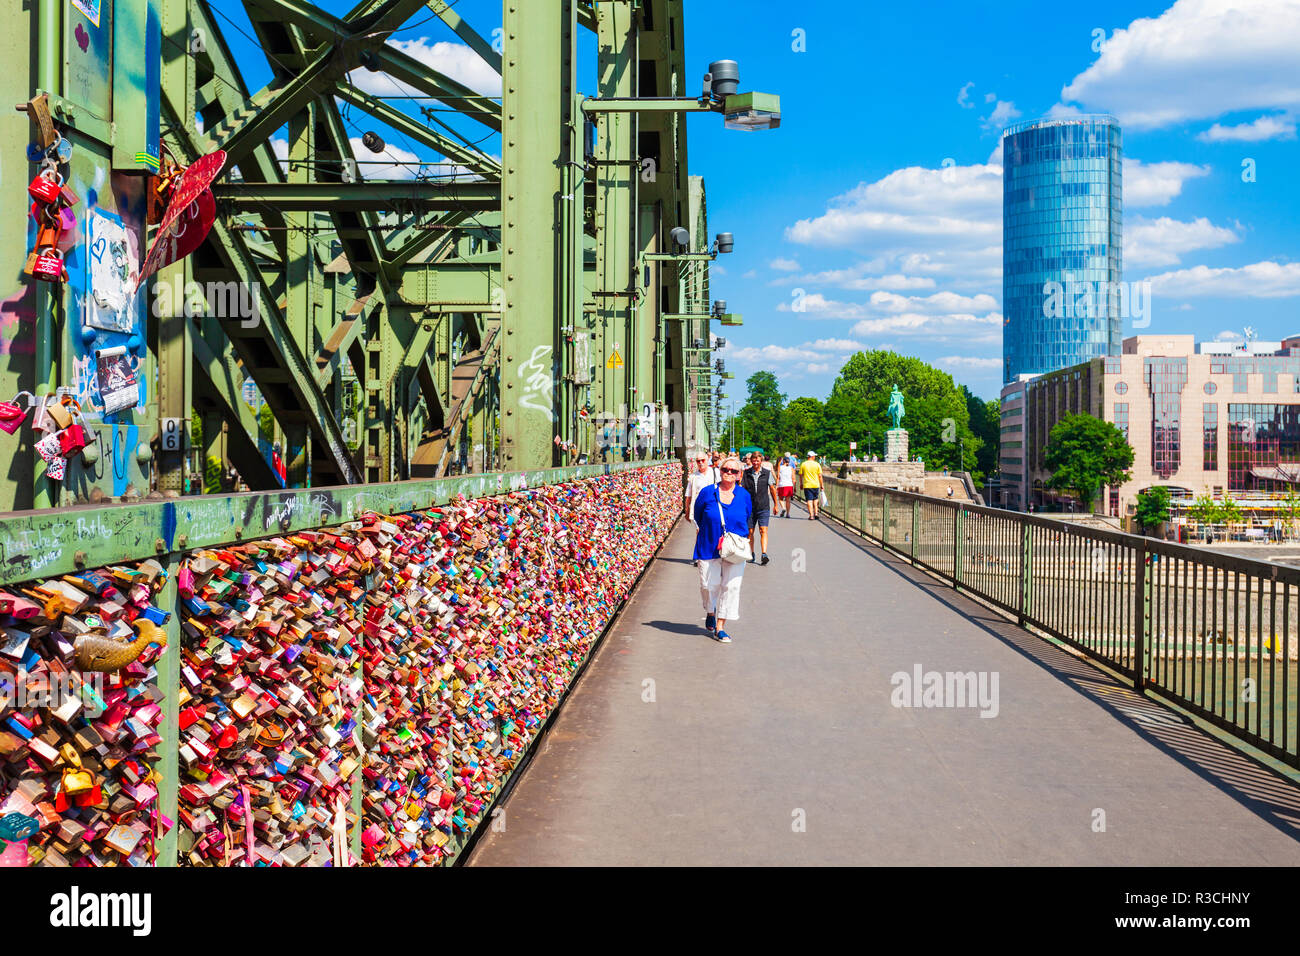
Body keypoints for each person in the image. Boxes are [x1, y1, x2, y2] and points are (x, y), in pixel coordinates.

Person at [693, 455, 752, 643]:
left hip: (734, 549)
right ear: (720, 471)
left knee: (731, 587)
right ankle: (710, 611)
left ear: (739, 475)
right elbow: (698, 516)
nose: (729, 473)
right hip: (708, 544)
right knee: (708, 585)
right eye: (726, 469)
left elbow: (747, 516)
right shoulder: (707, 492)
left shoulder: (744, 495)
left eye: (734, 471)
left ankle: (720, 627)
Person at [742, 452, 778, 564]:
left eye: (758, 461)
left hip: (763, 506)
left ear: (761, 461)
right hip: (750, 507)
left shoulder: (767, 473)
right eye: (754, 461)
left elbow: (772, 489)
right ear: (751, 461)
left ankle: (764, 554)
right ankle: (751, 553)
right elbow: (742, 489)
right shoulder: (746, 473)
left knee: (763, 530)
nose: (756, 463)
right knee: (750, 532)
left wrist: (776, 505)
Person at [798, 451, 823, 520]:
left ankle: (811, 515)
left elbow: (800, 475)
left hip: (807, 485)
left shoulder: (803, 464)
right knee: (815, 499)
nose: (815, 457)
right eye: (814, 456)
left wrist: (801, 483)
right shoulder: (817, 464)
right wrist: (821, 485)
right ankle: (816, 513)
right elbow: (820, 476)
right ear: (812, 456)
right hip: (816, 484)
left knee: (809, 500)